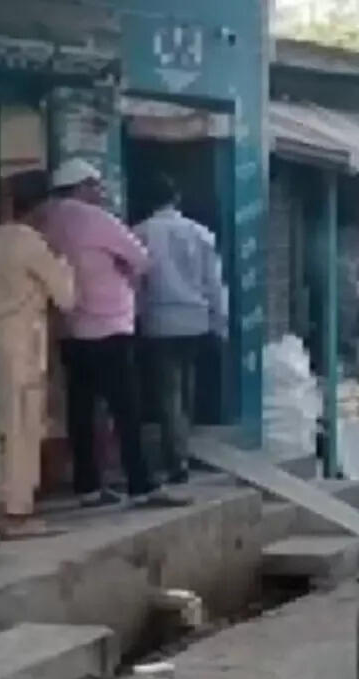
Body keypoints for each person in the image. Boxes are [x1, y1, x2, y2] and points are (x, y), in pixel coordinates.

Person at [37, 159, 185, 509]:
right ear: (83, 186)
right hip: (109, 326)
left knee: (81, 409)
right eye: (97, 186)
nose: (101, 193)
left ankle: (87, 485)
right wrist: (121, 273)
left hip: (70, 327)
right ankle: (140, 483)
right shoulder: (95, 218)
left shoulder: (46, 219)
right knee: (126, 408)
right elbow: (141, 259)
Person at [0, 171, 76, 539]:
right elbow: (66, 297)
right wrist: (61, 262)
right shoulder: (32, 243)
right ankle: (18, 513)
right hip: (22, 342)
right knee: (23, 427)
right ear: (42, 205)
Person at [134, 174, 228, 485]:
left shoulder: (139, 234)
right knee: (186, 386)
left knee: (167, 390)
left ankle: (177, 458)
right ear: (176, 198)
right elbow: (215, 284)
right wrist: (220, 321)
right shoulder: (200, 233)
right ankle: (182, 447)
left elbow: (135, 284)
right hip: (195, 320)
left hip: (158, 321)